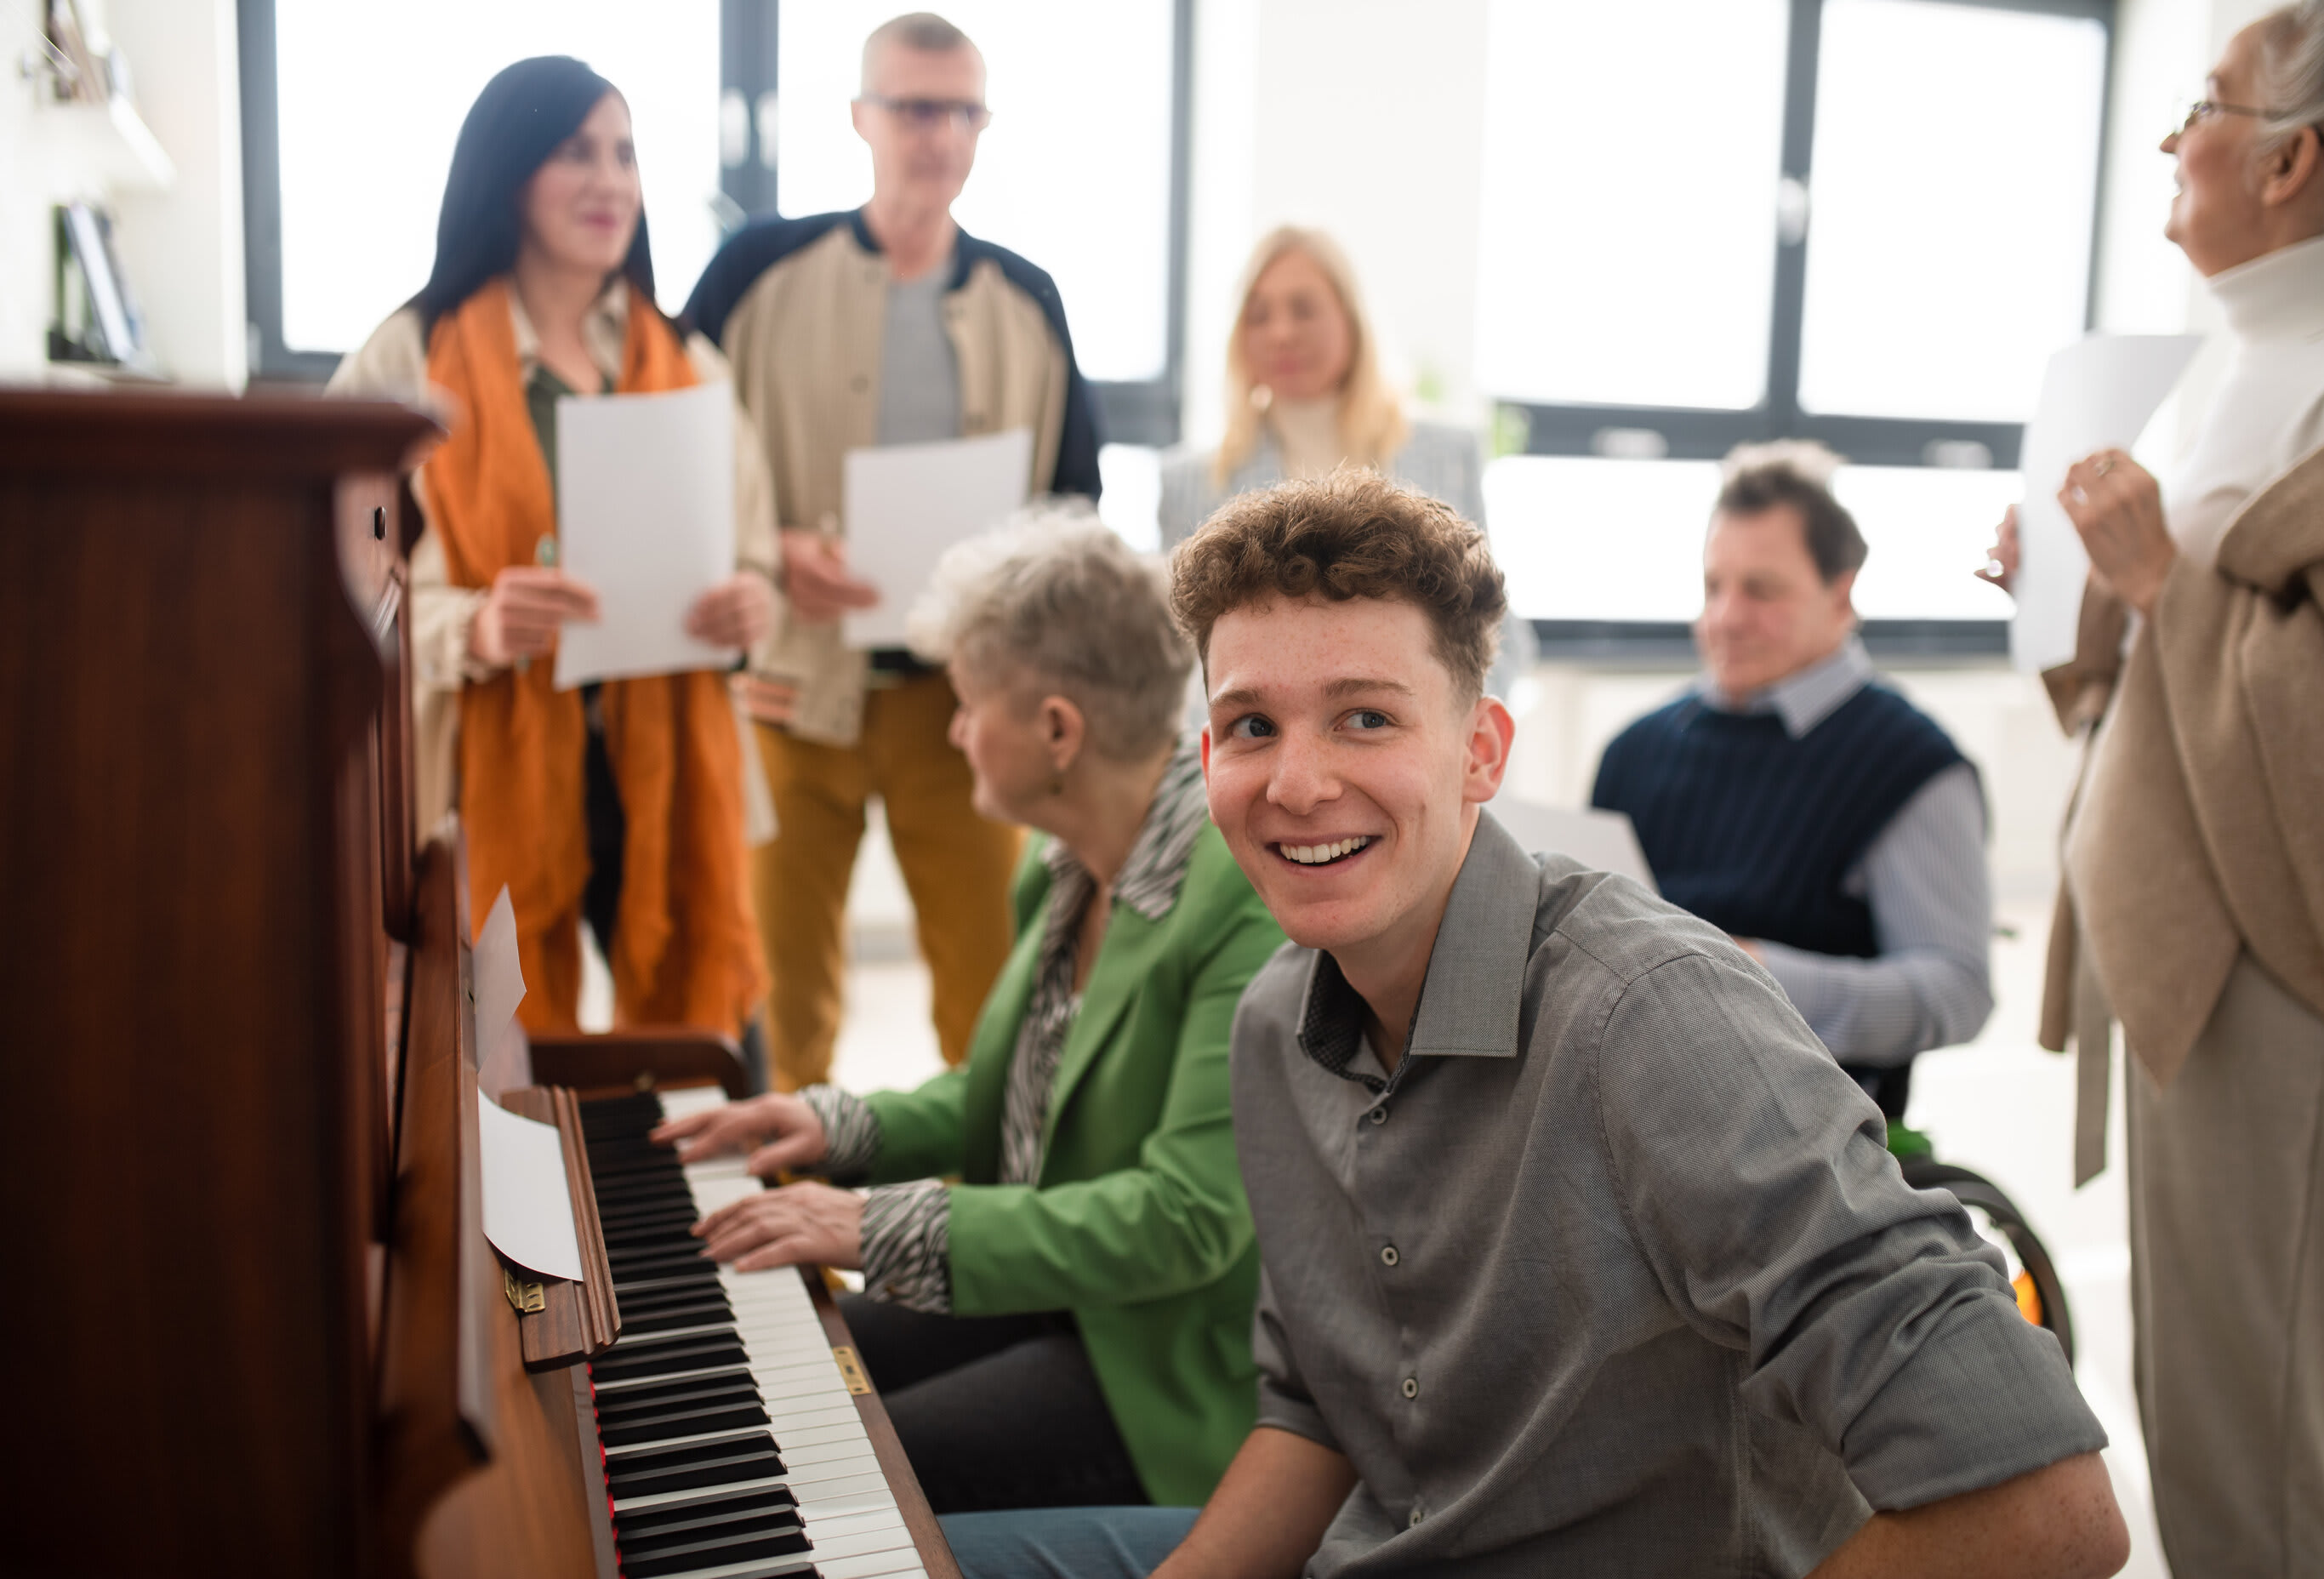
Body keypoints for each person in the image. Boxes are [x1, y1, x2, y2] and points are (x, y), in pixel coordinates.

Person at [956, 470, 2129, 1579]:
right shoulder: (1276, 1024)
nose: (1297, 782)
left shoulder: (1653, 1020)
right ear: (1207, 758)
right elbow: (1314, 1410)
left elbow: (2050, 1508)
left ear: (1481, 752)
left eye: (1364, 718)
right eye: (1253, 727)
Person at [649, 512, 1283, 1519]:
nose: (952, 731)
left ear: (1058, 730)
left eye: (967, 702)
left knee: (822, 1468)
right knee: (786, 1371)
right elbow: (1011, 1088)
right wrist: (832, 1123)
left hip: (1168, 1362)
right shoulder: (1067, 861)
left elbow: (1186, 1221)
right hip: (1062, 1291)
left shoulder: (1237, 900)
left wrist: (866, 1220)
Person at [1982, 4, 2324, 1570]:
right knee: (2193, 1403)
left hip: (2271, 961)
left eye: (2202, 106)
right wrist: (2084, 591)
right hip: (2191, 945)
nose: (2170, 141)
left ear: (2290, 160)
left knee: (2252, 1428)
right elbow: (2162, 677)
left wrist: (2158, 587)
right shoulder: (2241, 363)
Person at [681, 12, 1103, 1092]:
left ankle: (980, 1242)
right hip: (790, 696)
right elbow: (667, 458)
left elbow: (1073, 511)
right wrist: (769, 549)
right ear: (862, 118)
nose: (940, 134)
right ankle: (787, 1236)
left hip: (963, 709)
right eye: (916, 107)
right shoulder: (755, 273)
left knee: (990, 998)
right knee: (783, 1002)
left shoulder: (1030, 299)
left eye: (965, 110)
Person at [330, 56, 775, 1035]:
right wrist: (474, 624)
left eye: (624, 154)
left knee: (712, 1046)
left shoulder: (687, 361)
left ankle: (712, 1187)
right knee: (488, 1048)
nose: (611, 181)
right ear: (508, 170)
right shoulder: (407, 357)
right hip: (479, 769)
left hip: (660, 756)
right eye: (577, 152)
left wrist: (750, 606)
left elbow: (755, 559)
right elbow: (332, 582)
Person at [1592, 443, 1991, 1120]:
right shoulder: (1636, 750)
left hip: (1793, 1134)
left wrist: (1752, 979)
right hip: (1618, 1105)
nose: (1725, 618)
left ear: (1842, 593)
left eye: (1762, 590)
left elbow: (1956, 991)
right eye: (1714, 587)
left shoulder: (1909, 766)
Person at [1156, 226, 1485, 550]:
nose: (1281, 333)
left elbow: (1485, 601)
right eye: (1258, 315)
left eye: (1304, 310)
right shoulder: (1187, 483)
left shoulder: (1451, 455)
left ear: (1352, 320)